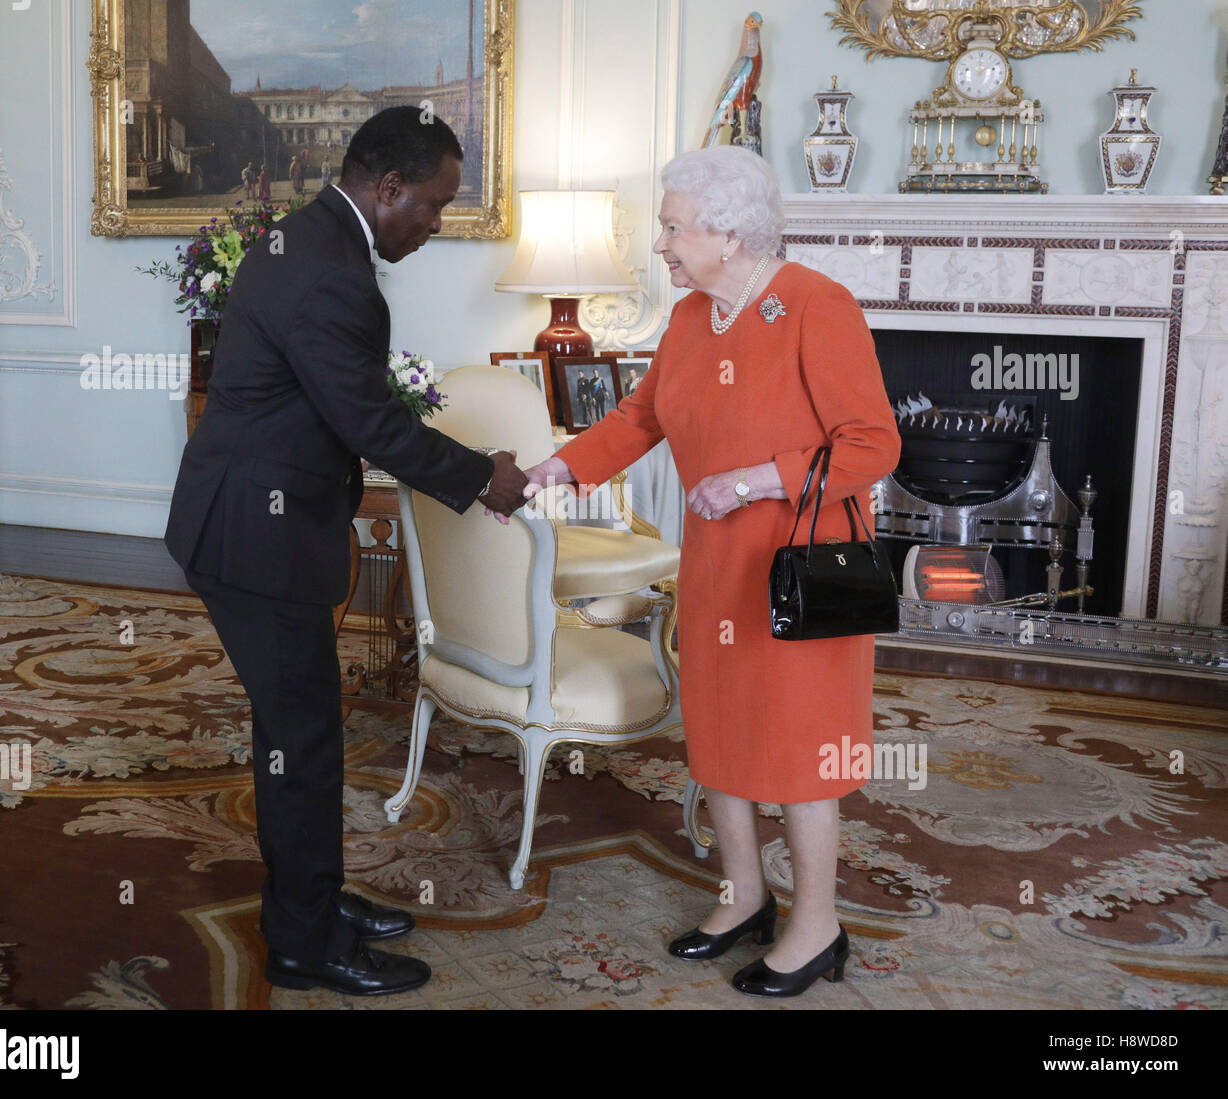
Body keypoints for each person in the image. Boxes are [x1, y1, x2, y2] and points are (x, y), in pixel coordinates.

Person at [514, 144, 900, 998]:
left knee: (797, 750)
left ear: (728, 232)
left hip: (799, 567)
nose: (661, 243)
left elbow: (873, 444)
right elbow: (642, 414)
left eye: (673, 226)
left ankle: (817, 926)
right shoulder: (694, 316)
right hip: (717, 564)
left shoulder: (815, 307)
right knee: (721, 736)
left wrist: (757, 478)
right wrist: (561, 468)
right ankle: (744, 896)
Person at [164, 106, 530, 998]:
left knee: (303, 731)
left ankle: (314, 900)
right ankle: (302, 939)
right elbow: (371, 424)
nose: (436, 225)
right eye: (435, 206)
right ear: (388, 187)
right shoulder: (333, 272)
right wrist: (487, 476)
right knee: (302, 740)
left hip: (251, 519)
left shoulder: (314, 240)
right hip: (255, 536)